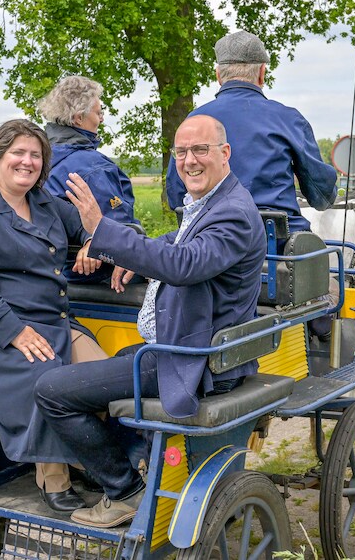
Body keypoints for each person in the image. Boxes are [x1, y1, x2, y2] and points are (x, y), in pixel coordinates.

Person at [38, 115, 266, 528]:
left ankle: (124, 490)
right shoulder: (218, 200)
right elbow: (179, 242)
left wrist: (101, 230)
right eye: (180, 152)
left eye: (200, 150)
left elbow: (185, 262)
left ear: (225, 153)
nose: (189, 161)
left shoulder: (232, 212)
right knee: (111, 363)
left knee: (52, 390)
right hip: (181, 346)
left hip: (193, 360)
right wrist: (127, 255)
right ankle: (140, 460)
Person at [0, 119, 109, 515]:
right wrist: (12, 331)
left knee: (105, 377)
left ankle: (98, 462)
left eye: (36, 155)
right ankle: (54, 477)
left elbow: (94, 227)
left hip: (48, 318)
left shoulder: (45, 203)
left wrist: (97, 238)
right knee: (46, 378)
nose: (27, 162)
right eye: (19, 153)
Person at [165, 30, 337, 232]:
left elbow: (175, 194)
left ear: (219, 75)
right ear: (262, 73)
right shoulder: (289, 119)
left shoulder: (194, 121)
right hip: (277, 246)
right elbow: (321, 195)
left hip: (211, 241)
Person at [39, 76, 138, 282]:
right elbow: (120, 231)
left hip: (44, 269)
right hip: (87, 275)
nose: (101, 119)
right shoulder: (95, 168)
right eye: (99, 112)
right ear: (78, 118)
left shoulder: (34, 159)